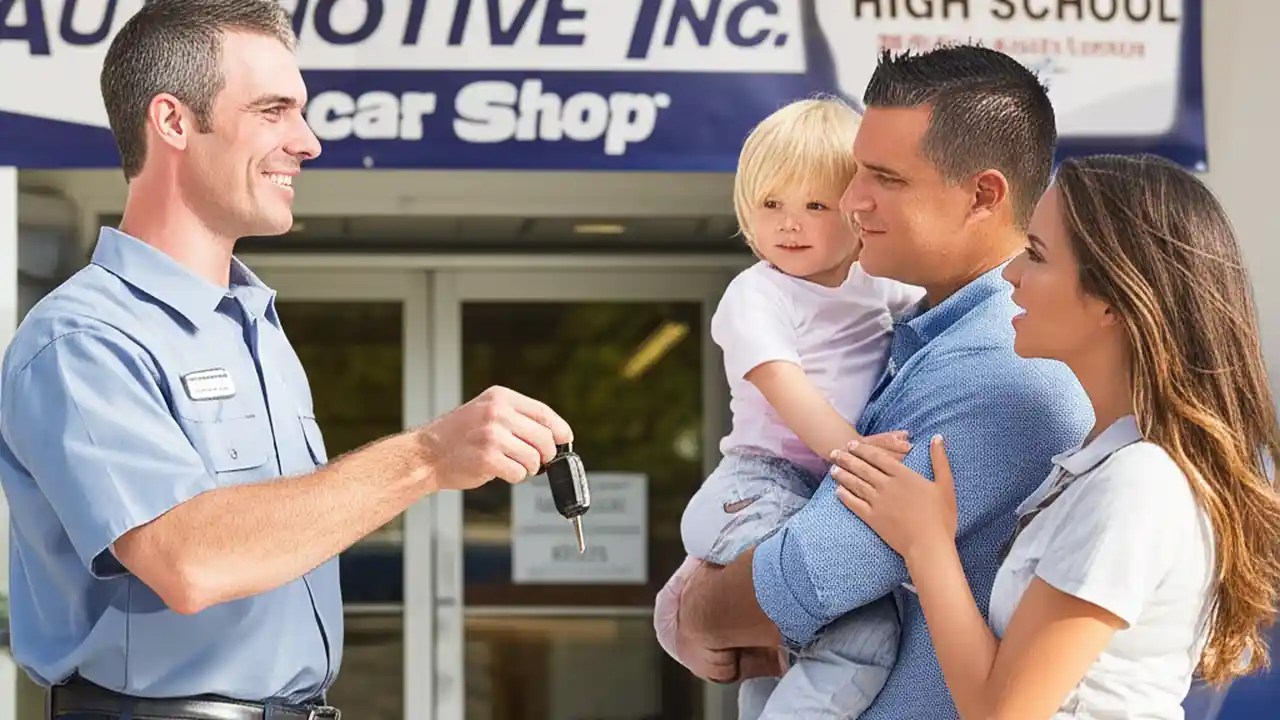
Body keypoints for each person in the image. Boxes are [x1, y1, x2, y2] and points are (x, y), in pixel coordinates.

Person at [0, 2, 572, 718]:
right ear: (173, 122)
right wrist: (426, 456)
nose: (308, 143)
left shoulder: (256, 328)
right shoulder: (81, 339)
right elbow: (189, 561)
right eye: (274, 112)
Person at [667, 46, 1094, 719]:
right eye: (855, 170)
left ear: (982, 194)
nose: (851, 198)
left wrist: (692, 612)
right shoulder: (919, 326)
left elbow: (806, 577)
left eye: (884, 177)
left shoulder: (1004, 364)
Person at [830, 153, 1280, 719]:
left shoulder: (1138, 483)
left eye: (1036, 254)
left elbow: (1002, 713)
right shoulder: (1103, 466)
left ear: (1114, 300)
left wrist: (927, 545)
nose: (1011, 274)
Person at [652, 97, 921, 718]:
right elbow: (787, 389)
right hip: (758, 485)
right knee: (863, 632)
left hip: (819, 492)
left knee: (783, 658)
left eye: (815, 205)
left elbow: (957, 285)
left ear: (857, 210)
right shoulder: (756, 294)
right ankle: (682, 600)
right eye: (771, 204)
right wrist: (851, 451)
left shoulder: (876, 283)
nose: (789, 224)